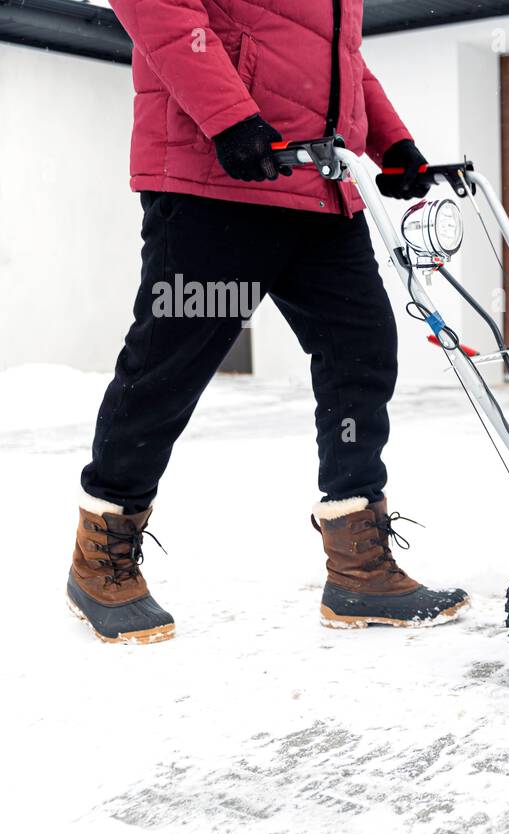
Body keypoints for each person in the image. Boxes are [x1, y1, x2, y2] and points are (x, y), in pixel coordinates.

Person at [67, 0, 467, 644]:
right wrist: (231, 120)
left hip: (318, 188)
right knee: (170, 367)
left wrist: (393, 143)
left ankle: (358, 564)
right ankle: (101, 553)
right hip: (218, 186)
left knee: (360, 355)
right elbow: (161, 11)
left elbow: (342, 63)